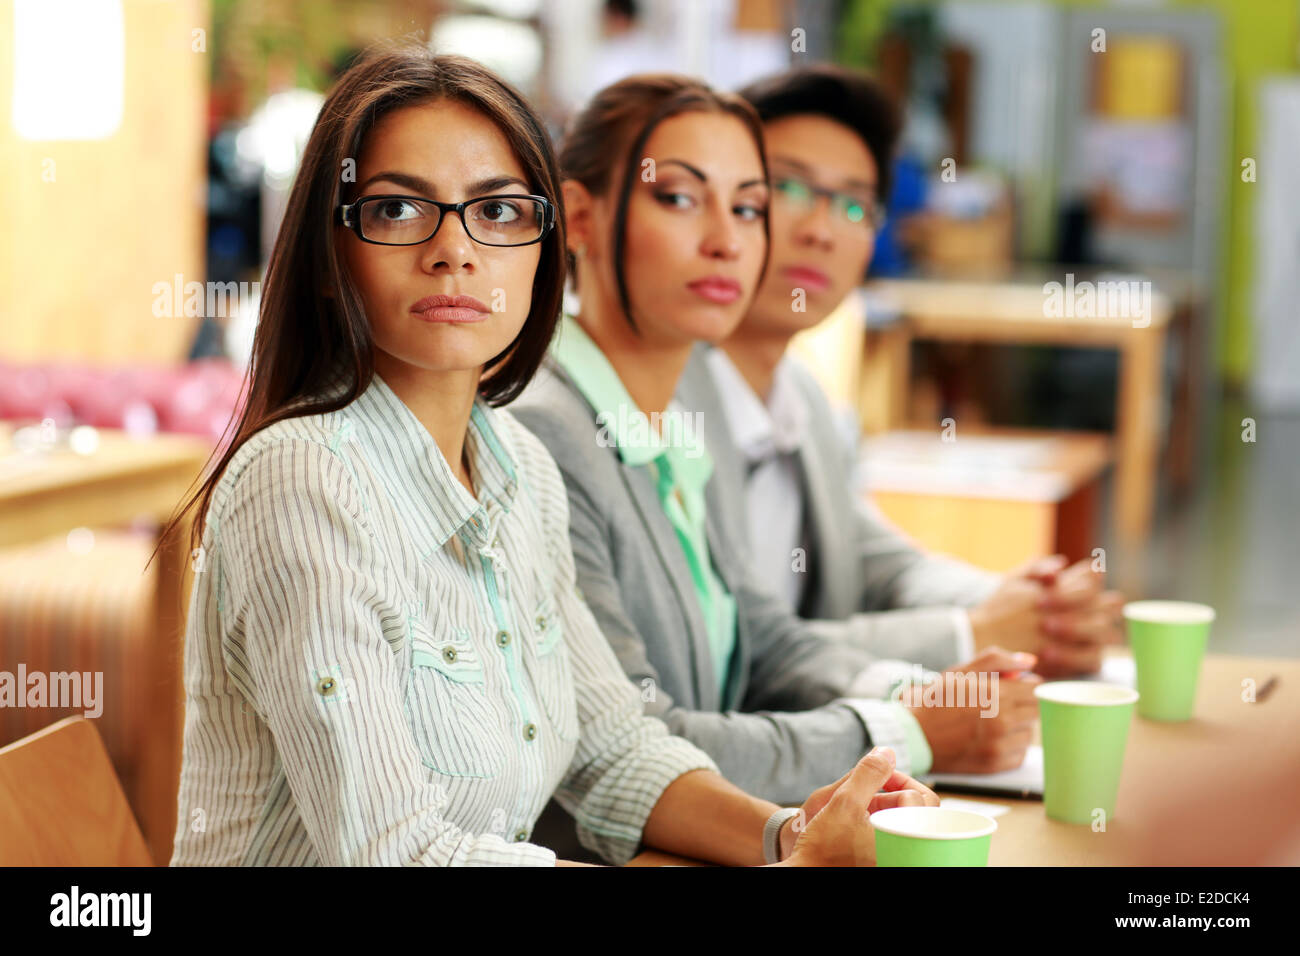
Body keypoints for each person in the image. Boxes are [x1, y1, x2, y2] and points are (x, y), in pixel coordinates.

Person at [164, 44, 935, 868]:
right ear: (329, 256)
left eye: (498, 212)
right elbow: (396, 853)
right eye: (396, 210)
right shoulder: (301, 481)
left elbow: (613, 754)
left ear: (543, 247)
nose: (455, 250)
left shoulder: (521, 471)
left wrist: (785, 835)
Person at [512, 73, 1038, 857]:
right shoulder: (540, 437)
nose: (727, 240)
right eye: (681, 198)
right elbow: (638, 743)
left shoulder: (671, 427)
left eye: (749, 207)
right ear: (579, 217)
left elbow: (766, 639)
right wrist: (911, 731)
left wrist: (934, 695)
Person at [678, 64, 1124, 679]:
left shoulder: (801, 396)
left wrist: (1022, 606)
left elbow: (872, 558)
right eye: (790, 188)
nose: (821, 230)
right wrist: (969, 633)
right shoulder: (656, 410)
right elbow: (742, 648)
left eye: (854, 204)